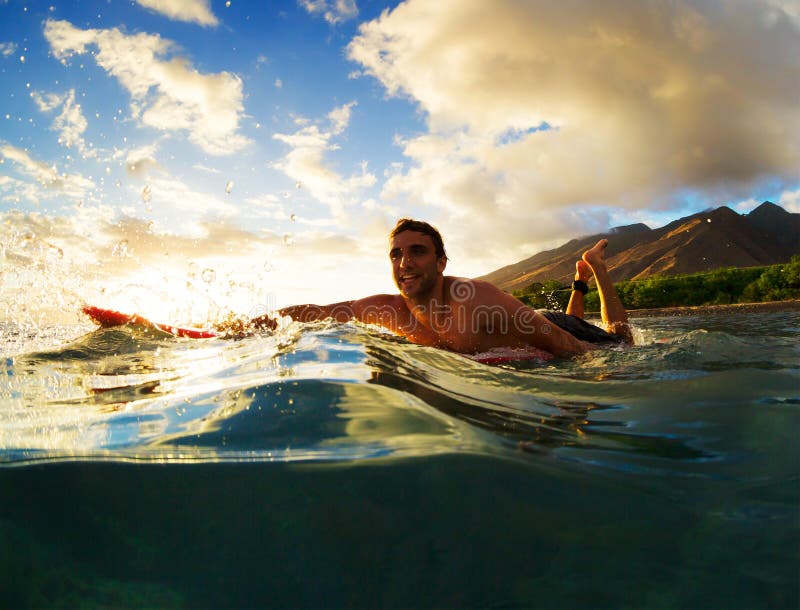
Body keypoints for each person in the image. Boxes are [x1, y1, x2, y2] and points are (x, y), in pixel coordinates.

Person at [245, 219, 632, 358]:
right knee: (566, 321)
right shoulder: (387, 309)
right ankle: (578, 282)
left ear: (441, 262)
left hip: (547, 329)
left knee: (620, 338)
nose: (404, 263)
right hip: (535, 326)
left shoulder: (475, 299)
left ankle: (596, 269)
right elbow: (319, 312)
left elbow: (568, 347)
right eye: (396, 254)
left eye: (417, 252)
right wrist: (249, 324)